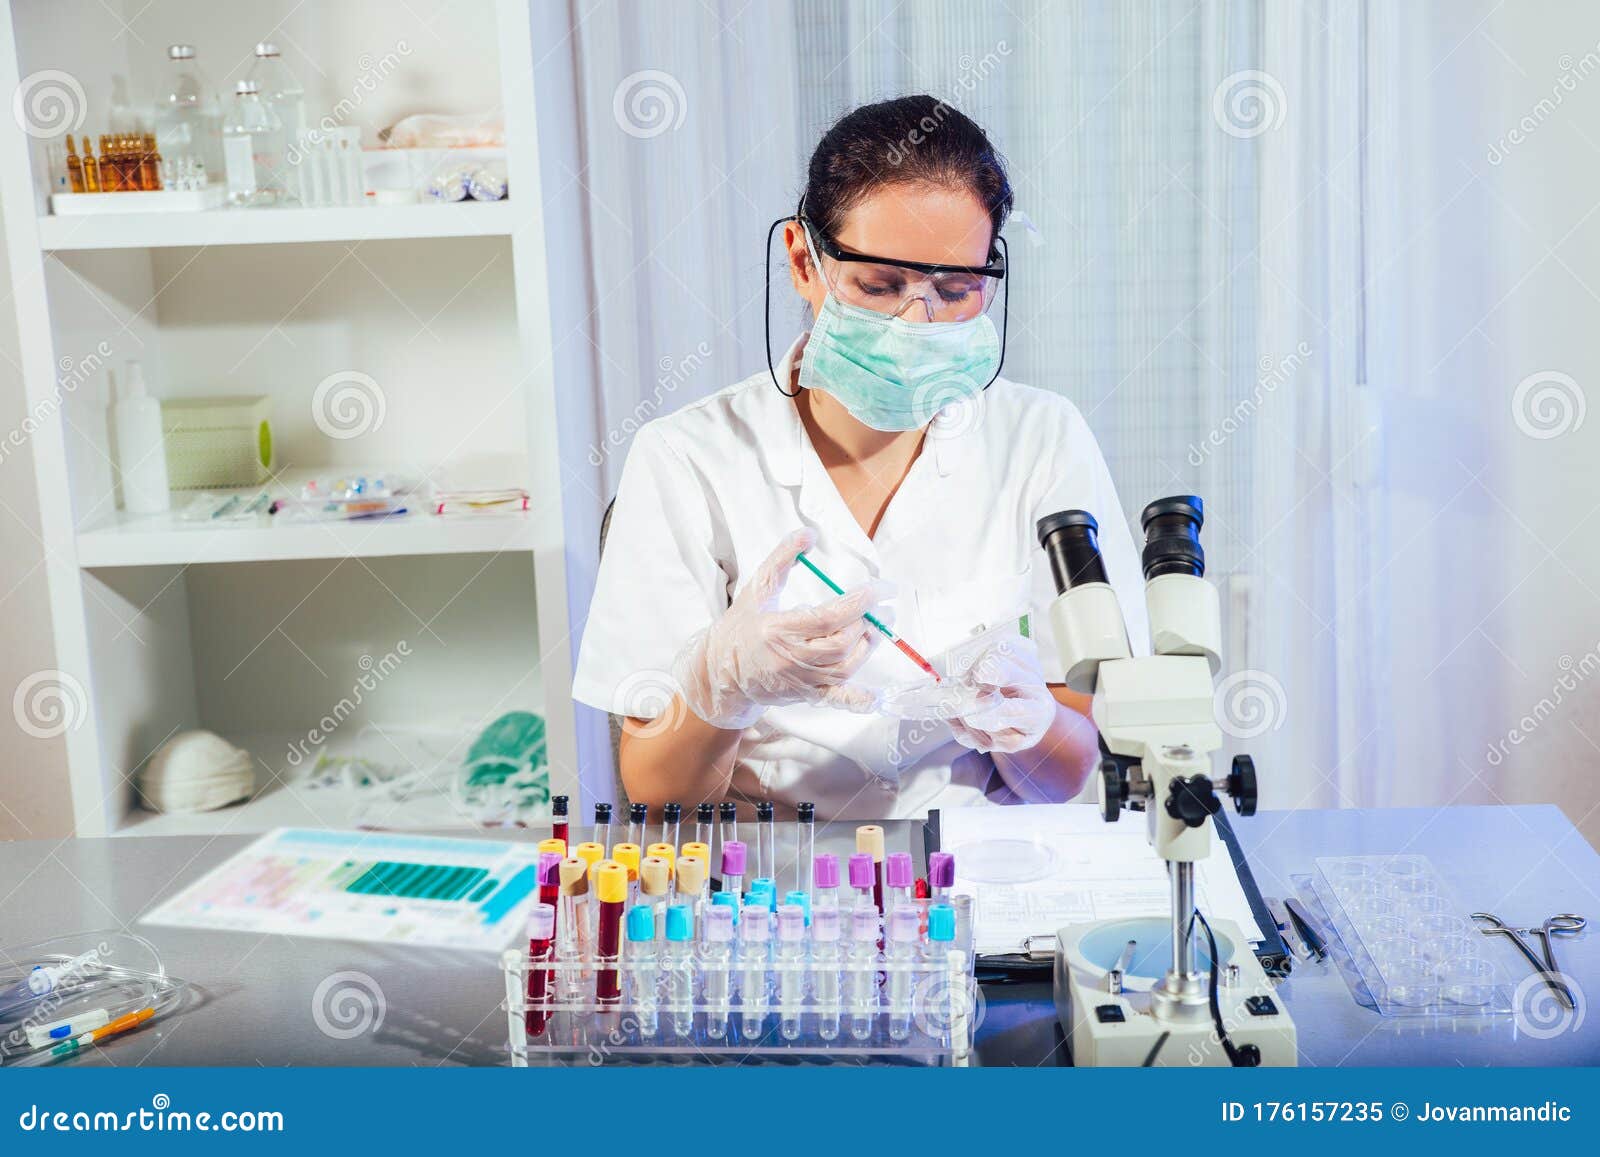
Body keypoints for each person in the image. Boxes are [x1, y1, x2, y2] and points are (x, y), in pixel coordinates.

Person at [574, 95, 1147, 819]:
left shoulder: (1041, 440)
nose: (919, 320)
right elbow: (660, 794)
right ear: (802, 261)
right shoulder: (686, 458)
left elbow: (1063, 775)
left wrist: (1028, 724)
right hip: (772, 869)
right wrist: (722, 684)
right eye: (879, 286)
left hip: (970, 867)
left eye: (955, 289)